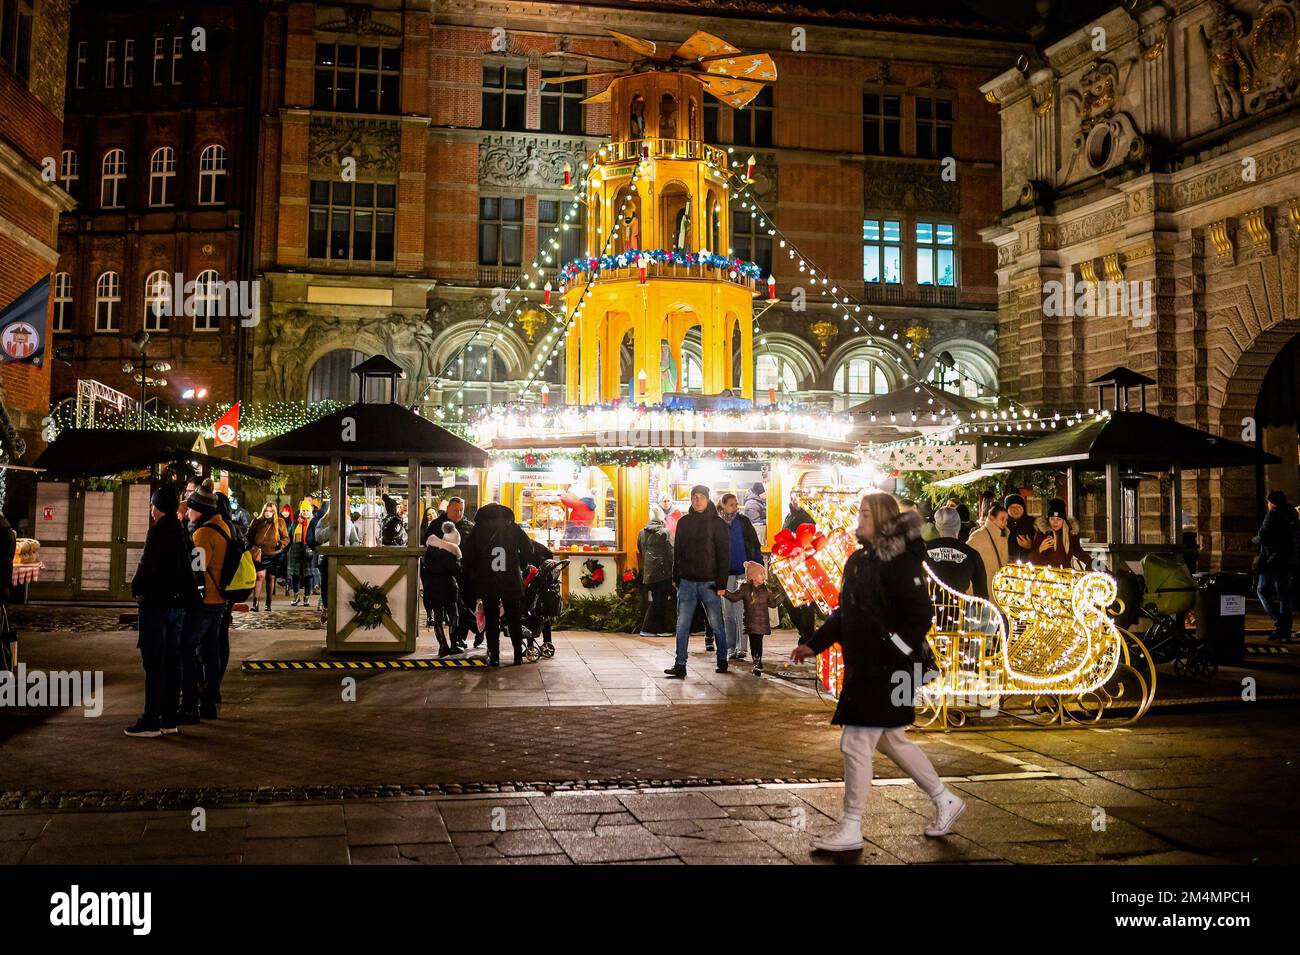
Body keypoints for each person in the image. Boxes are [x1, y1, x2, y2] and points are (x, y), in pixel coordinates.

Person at [790, 493, 966, 851]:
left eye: (866, 513)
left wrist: (893, 652)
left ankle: (852, 827)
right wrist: (815, 643)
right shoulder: (858, 560)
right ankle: (944, 798)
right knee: (889, 739)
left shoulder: (900, 563)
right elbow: (845, 612)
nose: (860, 518)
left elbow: (920, 618)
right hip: (866, 666)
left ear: (884, 520)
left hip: (885, 670)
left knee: (855, 743)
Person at [125, 484, 198, 738]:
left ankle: (150, 720)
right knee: (172, 662)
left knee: (154, 664)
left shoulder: (157, 534)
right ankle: (168, 718)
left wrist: (137, 589)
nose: (151, 510)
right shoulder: (182, 533)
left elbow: (147, 567)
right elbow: (190, 569)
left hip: (156, 606)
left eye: (153, 505)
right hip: (177, 607)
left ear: (159, 508)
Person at [664, 485, 730, 679]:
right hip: (687, 582)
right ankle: (680, 663)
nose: (697, 500)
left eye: (701, 497)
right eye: (694, 497)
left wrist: (721, 584)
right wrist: (676, 577)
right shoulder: (684, 522)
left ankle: (722, 659)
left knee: (716, 623)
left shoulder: (717, 524)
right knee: (682, 625)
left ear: (708, 499)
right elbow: (678, 552)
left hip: (709, 583)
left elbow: (723, 555)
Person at [181, 482, 231, 722]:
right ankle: (210, 701)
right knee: (211, 651)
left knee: (188, 649)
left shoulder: (203, 533)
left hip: (204, 602)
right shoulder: (222, 527)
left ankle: (190, 703)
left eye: (191, 507)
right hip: (220, 600)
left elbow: (196, 571)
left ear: (200, 509)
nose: (188, 512)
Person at [460, 502, 533, 666]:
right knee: (514, 618)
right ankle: (517, 655)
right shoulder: (514, 528)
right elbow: (529, 550)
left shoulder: (478, 530)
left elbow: (467, 555)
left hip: (488, 581)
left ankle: (494, 656)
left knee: (492, 619)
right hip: (511, 581)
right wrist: (520, 565)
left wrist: (475, 571)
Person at [718, 492, 763, 661]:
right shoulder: (717, 523)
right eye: (731, 504)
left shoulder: (742, 521)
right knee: (728, 612)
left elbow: (753, 544)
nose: (735, 507)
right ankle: (730, 647)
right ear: (723, 505)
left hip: (742, 572)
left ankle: (741, 647)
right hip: (724, 573)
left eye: (736, 504)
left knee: (742, 611)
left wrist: (758, 566)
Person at [430, 497, 478, 651]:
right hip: (443, 576)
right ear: (448, 509)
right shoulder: (436, 525)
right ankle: (451, 642)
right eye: (455, 509)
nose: (459, 513)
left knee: (465, 607)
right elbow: (428, 544)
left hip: (466, 575)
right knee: (452, 611)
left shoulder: (470, 527)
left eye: (461, 510)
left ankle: (461, 638)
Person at [1252, 490, 1297, 642]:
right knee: (1284, 595)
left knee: (1262, 589)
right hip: (1288, 559)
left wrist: (1253, 540)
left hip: (1272, 560)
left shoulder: (1273, 514)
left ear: (1273, 502)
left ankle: (1280, 624)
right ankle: (1285, 628)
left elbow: (1263, 536)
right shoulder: (1292, 514)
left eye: (1268, 502)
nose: (1267, 504)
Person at [925, 506, 988, 600]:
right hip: (958, 610)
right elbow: (982, 593)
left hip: (928, 609)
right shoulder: (971, 553)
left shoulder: (924, 550)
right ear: (958, 526)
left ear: (937, 527)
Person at [722, 560, 773, 675]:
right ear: (753, 576)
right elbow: (734, 597)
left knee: (758, 643)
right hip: (750, 623)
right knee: (754, 642)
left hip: (762, 623)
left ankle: (757, 660)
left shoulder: (765, 589)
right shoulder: (745, 589)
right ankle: (756, 660)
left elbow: (772, 603)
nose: (764, 577)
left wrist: (783, 595)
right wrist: (724, 592)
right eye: (761, 574)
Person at [421, 520, 462, 656]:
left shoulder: (431, 550)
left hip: (433, 588)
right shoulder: (450, 554)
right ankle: (454, 645)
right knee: (454, 617)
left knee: (438, 618)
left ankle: (442, 646)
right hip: (448, 588)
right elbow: (457, 571)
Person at [782, 491, 818, 643]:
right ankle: (805, 633)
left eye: (797, 498)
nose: (795, 501)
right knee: (789, 601)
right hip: (789, 563)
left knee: (806, 603)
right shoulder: (789, 516)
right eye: (793, 498)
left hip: (804, 563)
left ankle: (808, 635)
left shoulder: (809, 516)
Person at [636, 505, 675, 636]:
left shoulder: (642, 532)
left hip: (648, 572)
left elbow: (641, 550)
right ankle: (650, 628)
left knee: (657, 599)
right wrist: (675, 569)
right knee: (660, 600)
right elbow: (671, 553)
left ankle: (656, 628)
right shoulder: (665, 532)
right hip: (663, 571)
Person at [248, 501, 288, 611]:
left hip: (274, 554)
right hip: (260, 554)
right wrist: (253, 547)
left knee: (271, 578)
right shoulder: (257, 521)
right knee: (259, 576)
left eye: (270, 511)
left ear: (274, 512)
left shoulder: (280, 522)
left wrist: (281, 544)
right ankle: (255, 603)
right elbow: (249, 536)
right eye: (266, 511)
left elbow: (286, 538)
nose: (268, 513)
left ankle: (268, 604)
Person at [1030, 497, 1090, 569]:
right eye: (1052, 519)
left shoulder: (1070, 534)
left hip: (1065, 574)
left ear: (1063, 520)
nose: (1055, 522)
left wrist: (1094, 564)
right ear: (1048, 519)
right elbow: (1032, 560)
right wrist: (1040, 549)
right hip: (1046, 575)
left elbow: (1079, 552)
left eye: (1059, 519)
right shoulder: (1042, 533)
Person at [967, 504, 1010, 598]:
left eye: (1006, 519)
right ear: (991, 518)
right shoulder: (978, 536)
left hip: (999, 589)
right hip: (984, 592)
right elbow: (968, 563)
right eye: (1002, 518)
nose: (1005, 522)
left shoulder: (1004, 536)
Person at [285, 502, 314, 606]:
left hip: (309, 552)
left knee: (308, 576)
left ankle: (306, 598)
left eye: (307, 510)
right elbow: (289, 536)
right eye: (303, 510)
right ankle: (296, 597)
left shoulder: (313, 523)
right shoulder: (295, 523)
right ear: (301, 511)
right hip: (295, 551)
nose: (305, 512)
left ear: (310, 511)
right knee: (295, 576)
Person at [1004, 493, 1036, 563]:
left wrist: (1030, 546)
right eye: (1012, 507)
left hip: (1029, 565)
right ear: (1006, 509)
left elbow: (1040, 546)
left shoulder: (1033, 523)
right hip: (1007, 565)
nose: (1016, 510)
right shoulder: (1002, 524)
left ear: (1023, 508)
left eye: (1019, 507)